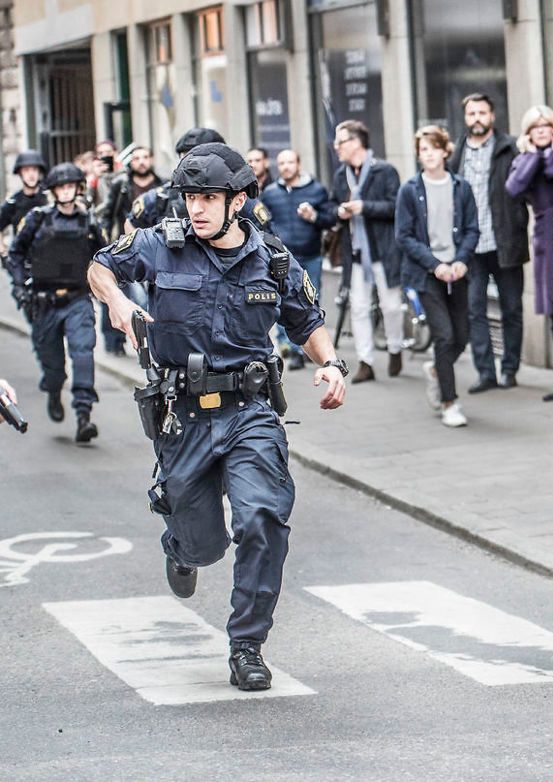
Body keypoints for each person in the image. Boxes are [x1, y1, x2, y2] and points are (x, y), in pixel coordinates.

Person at [88, 142, 348, 690]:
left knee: (262, 519)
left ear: (237, 201)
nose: (196, 208)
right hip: (183, 416)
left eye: (208, 197)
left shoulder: (272, 258)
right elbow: (102, 265)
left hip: (250, 411)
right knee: (205, 545)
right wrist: (116, 300)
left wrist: (330, 364)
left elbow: (306, 320)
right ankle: (180, 547)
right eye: (190, 197)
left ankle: (246, 646)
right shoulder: (161, 244)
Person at [6, 163, 106, 442]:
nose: (65, 191)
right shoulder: (37, 219)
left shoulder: (89, 222)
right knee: (52, 365)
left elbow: (104, 258)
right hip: (44, 302)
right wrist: (20, 285)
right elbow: (15, 254)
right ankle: (53, 390)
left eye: (70, 186)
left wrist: (108, 290)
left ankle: (84, 415)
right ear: (53, 191)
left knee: (83, 352)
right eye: (60, 187)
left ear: (77, 189)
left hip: (77, 299)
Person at [397, 125, 480, 427]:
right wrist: (435, 265)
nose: (428, 154)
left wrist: (461, 260)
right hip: (426, 274)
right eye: (423, 150)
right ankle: (449, 402)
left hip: (457, 271)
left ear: (445, 151)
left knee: (461, 336)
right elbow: (404, 236)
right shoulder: (410, 190)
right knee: (444, 336)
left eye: (433, 148)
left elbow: (472, 229)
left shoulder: (461, 187)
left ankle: (435, 368)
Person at [448, 93, 528, 392]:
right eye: (472, 113)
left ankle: (509, 370)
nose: (477, 118)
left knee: (512, 309)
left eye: (482, 112)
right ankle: (486, 373)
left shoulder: (510, 148)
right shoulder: (457, 154)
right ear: (465, 118)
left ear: (492, 116)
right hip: (471, 247)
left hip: (506, 241)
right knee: (474, 310)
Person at [506, 105, 553, 401]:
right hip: (544, 240)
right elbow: (514, 187)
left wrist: (551, 153)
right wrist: (536, 154)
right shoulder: (525, 158)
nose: (541, 131)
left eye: (546, 125)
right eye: (534, 127)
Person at [330, 119, 404, 383]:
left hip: (383, 251)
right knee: (359, 308)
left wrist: (365, 207)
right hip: (355, 253)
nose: (336, 147)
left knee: (391, 306)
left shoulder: (384, 170)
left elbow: (396, 207)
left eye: (340, 141)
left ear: (356, 142)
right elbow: (331, 206)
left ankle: (395, 347)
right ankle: (365, 362)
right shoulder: (341, 175)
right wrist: (339, 211)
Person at [260, 149, 337, 370]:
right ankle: (291, 349)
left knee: (310, 301)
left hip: (310, 256)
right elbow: (264, 223)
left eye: (290, 162)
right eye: (282, 163)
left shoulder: (316, 190)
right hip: (282, 258)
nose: (286, 167)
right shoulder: (270, 193)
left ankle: (310, 347)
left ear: (299, 164)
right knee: (282, 301)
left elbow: (330, 219)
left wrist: (314, 216)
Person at [128, 128, 276, 235]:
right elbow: (131, 227)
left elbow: (266, 238)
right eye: (185, 157)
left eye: (209, 198)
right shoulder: (161, 197)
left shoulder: (237, 198)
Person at [99, 146, 163, 356]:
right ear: (131, 162)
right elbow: (108, 213)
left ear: (151, 159)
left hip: (156, 251)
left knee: (149, 298)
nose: (141, 162)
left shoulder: (161, 186)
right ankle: (115, 341)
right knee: (125, 295)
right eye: (137, 158)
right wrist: (106, 241)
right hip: (126, 248)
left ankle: (151, 344)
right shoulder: (122, 185)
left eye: (145, 157)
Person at [0, 150, 48, 250]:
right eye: (26, 170)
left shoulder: (49, 197)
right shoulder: (13, 202)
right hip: (23, 256)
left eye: (34, 169)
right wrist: (3, 252)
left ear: (39, 171)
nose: (31, 174)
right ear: (20, 173)